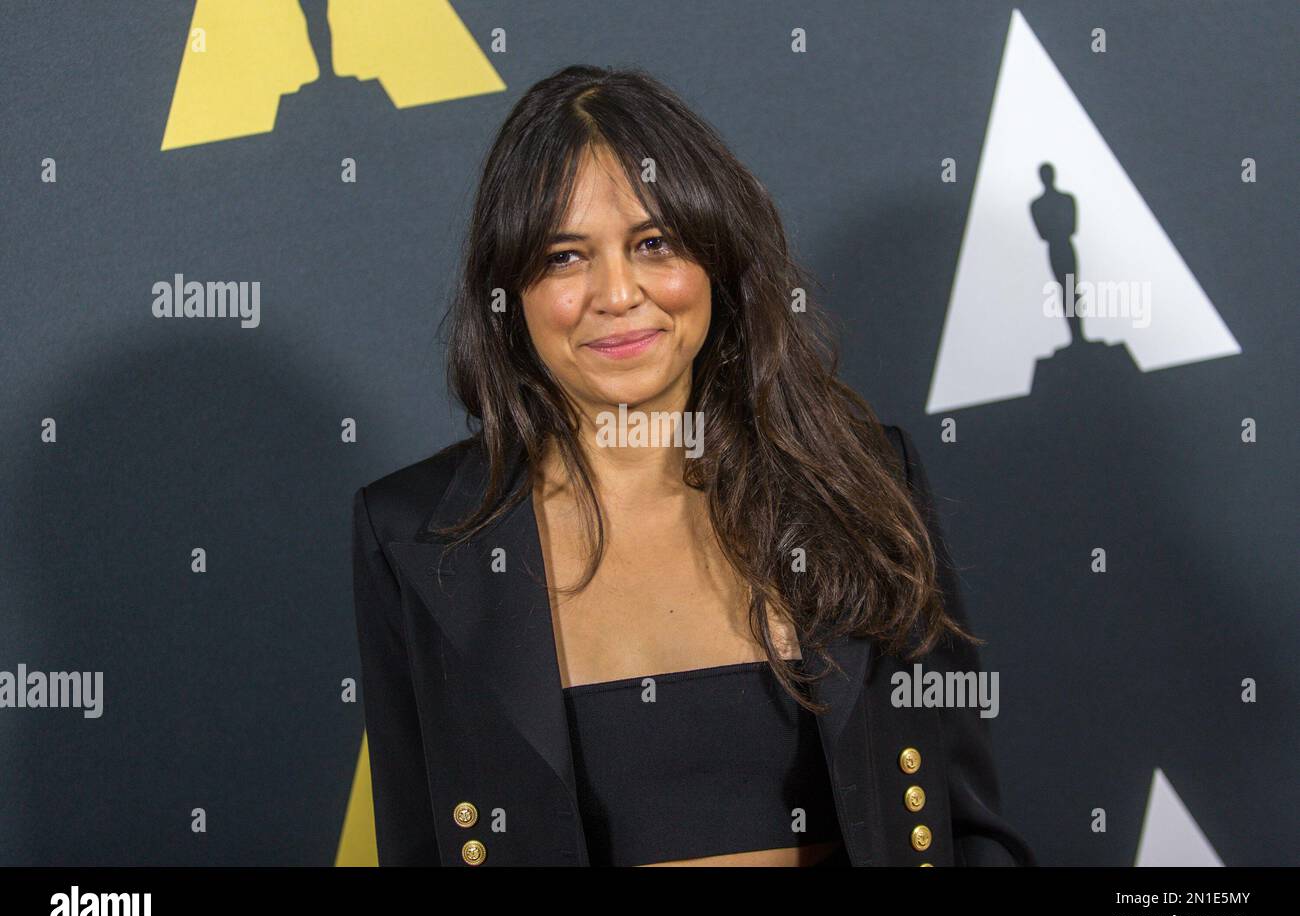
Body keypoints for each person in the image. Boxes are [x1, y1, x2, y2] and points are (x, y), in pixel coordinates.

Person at [351, 64, 1035, 867]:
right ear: (510, 292)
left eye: (654, 243)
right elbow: (419, 846)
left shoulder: (862, 482)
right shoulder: (419, 537)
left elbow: (969, 832)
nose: (617, 293)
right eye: (565, 257)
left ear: (716, 259)